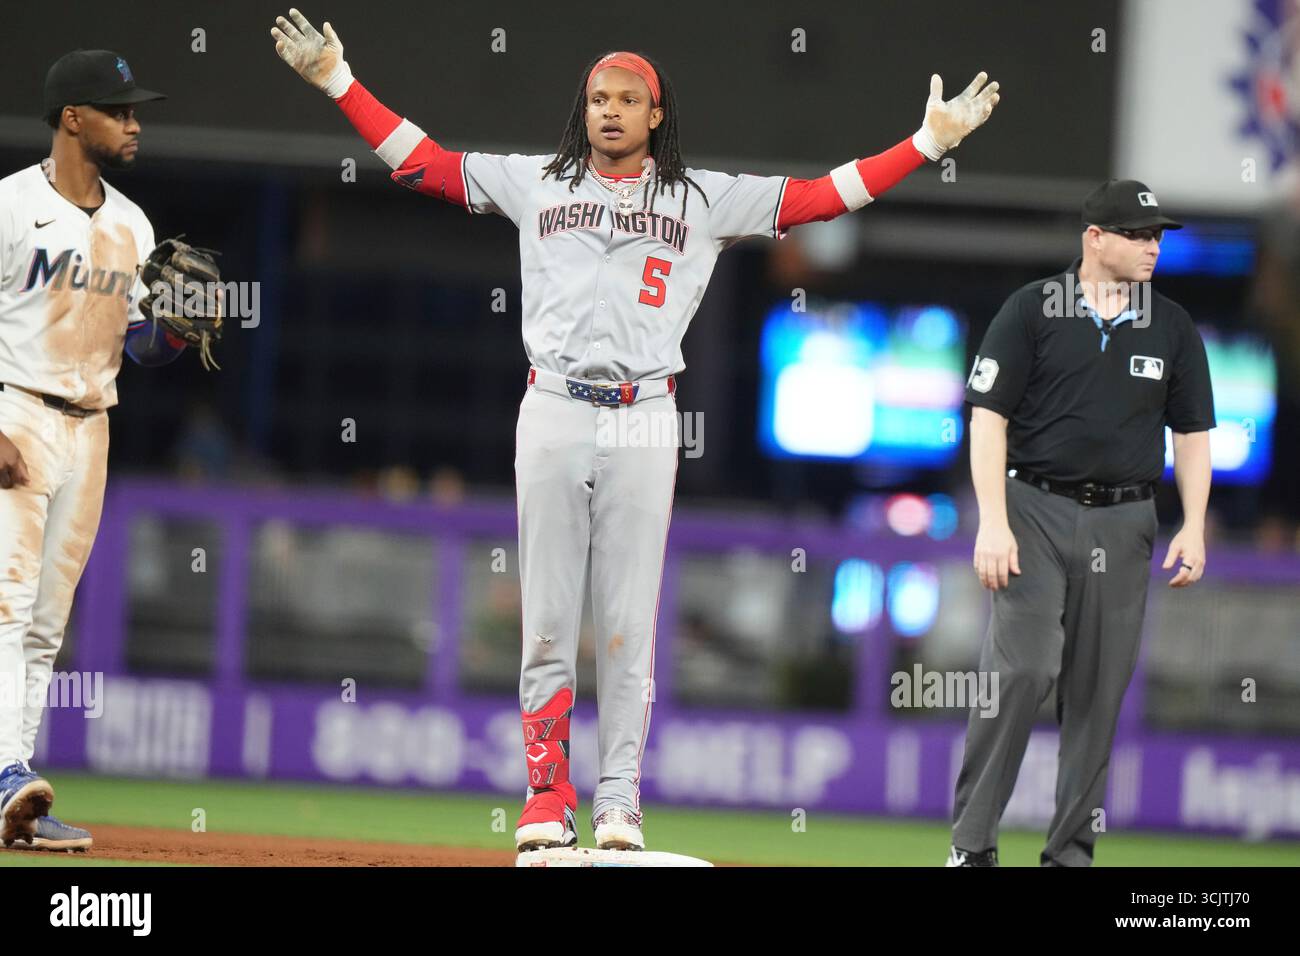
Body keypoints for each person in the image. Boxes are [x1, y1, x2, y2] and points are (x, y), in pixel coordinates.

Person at [269, 7, 999, 852]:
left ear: (656, 114)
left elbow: (820, 198)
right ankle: (547, 794)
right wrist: (339, 84)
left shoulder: (701, 196)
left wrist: (926, 144)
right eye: (595, 99)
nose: (607, 110)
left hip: (647, 413)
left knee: (626, 621)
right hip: (551, 405)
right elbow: (422, 165)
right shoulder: (537, 179)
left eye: (625, 99)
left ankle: (618, 797)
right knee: (546, 612)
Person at [951, 179, 1216, 867]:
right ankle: (972, 847)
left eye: (1157, 235)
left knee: (1098, 695)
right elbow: (988, 418)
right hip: (1033, 510)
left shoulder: (1172, 325)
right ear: (1094, 238)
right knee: (1024, 672)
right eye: (1138, 234)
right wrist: (993, 520)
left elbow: (1191, 435)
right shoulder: (1032, 309)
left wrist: (1194, 524)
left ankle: (1070, 855)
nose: (1152, 246)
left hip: (1126, 517)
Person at [0, 50, 187, 852]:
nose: (135, 123)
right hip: (17, 408)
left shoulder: (133, 224)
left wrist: (177, 332)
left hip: (91, 423)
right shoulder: (10, 205)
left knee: (45, 620)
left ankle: (14, 784)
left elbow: (139, 345)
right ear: (73, 118)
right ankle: (6, 775)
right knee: (6, 602)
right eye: (120, 110)